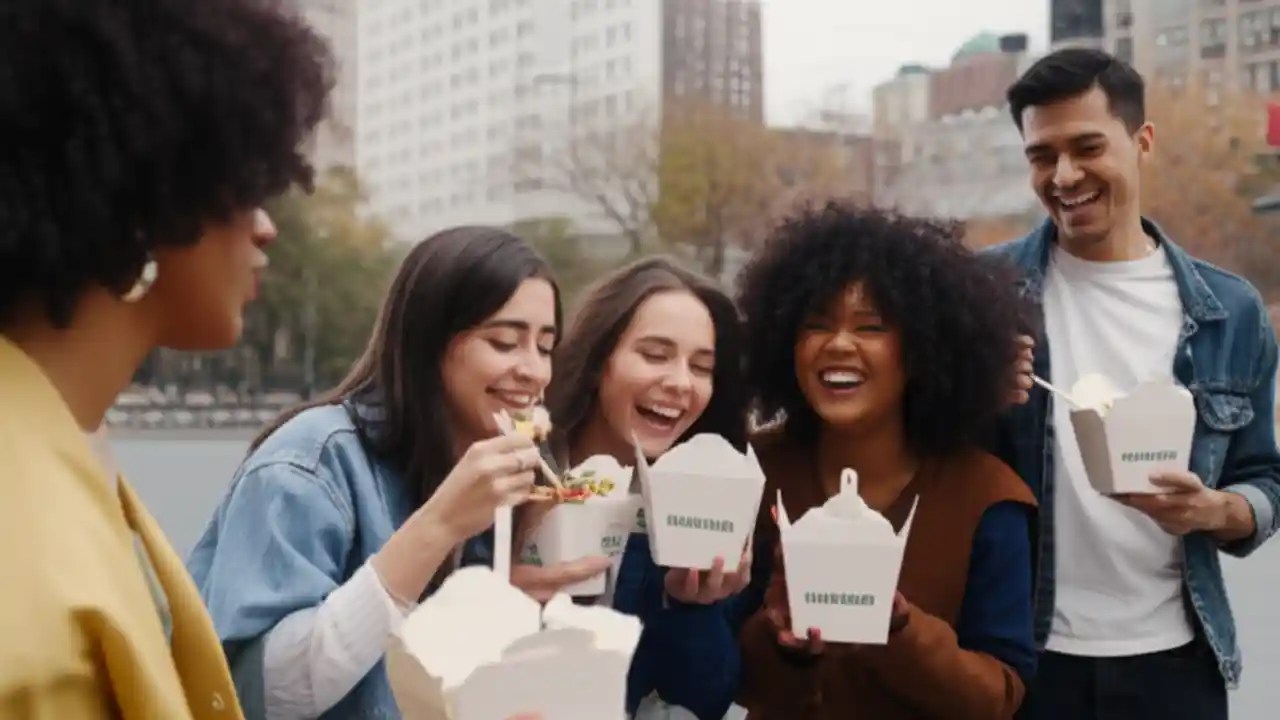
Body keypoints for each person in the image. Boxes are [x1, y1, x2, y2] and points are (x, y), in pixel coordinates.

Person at [0, 0, 330, 716]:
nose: (267, 228)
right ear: (149, 189)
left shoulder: (66, 441)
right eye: (246, 184)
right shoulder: (26, 571)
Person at [186, 228, 607, 719]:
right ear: (428, 341)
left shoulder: (511, 478)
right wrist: (440, 525)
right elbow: (259, 693)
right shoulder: (313, 461)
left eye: (545, 347)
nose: (533, 371)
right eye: (505, 342)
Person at [989, 48, 1280, 720]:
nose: (1064, 176)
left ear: (1142, 141)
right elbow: (914, 452)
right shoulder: (982, 293)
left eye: (1087, 147)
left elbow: (1266, 478)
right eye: (1041, 155)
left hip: (1177, 665)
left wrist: (1215, 511)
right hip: (1021, 661)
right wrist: (966, 395)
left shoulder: (1229, 311)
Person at [733, 202, 1038, 719]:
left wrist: (898, 627)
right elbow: (732, 682)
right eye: (816, 325)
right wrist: (782, 640)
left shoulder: (989, 497)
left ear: (922, 349)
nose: (839, 344)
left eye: (870, 326)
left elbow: (998, 697)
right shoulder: (753, 476)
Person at [535, 256, 755, 719]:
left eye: (702, 367)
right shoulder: (518, 472)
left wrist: (691, 606)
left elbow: (704, 700)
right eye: (655, 355)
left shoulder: (702, 503)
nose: (680, 383)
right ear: (599, 360)